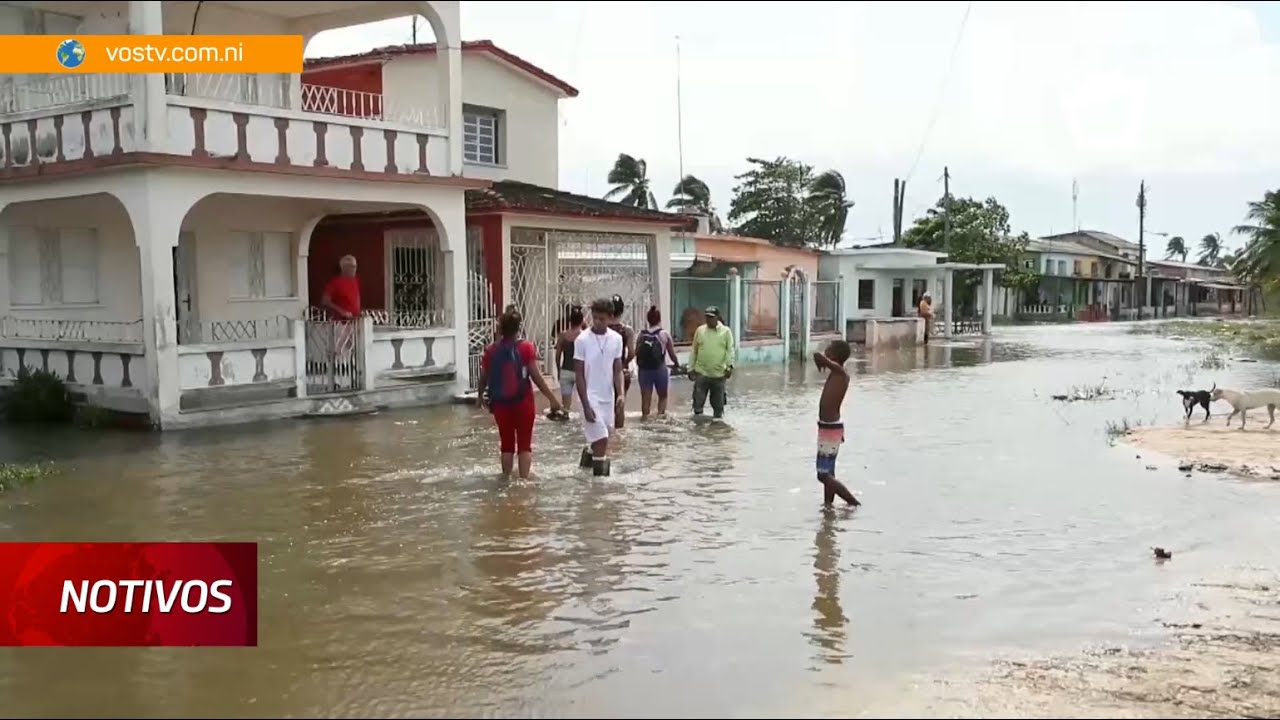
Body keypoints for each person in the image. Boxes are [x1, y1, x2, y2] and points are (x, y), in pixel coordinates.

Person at [477, 310, 562, 480]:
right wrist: (552, 399)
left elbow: (484, 377)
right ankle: (524, 482)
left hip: (501, 405)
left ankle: (505, 479)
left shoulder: (491, 351)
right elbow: (536, 377)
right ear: (519, 328)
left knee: (506, 445)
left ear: (500, 328)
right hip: (524, 403)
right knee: (524, 445)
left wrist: (480, 396)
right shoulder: (526, 348)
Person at [574, 297, 624, 477]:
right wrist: (585, 404)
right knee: (602, 440)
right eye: (594, 318)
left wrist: (621, 395)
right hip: (589, 396)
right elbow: (578, 374)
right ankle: (599, 489)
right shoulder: (582, 340)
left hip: (608, 397)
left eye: (601, 319)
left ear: (610, 317)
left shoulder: (617, 339)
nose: (597, 322)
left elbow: (617, 369)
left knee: (601, 439)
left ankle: (583, 469)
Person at [812, 340, 860, 507]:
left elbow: (818, 356)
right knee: (828, 472)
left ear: (836, 356)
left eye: (829, 350)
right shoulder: (835, 373)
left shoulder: (841, 373)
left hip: (830, 428)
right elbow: (820, 357)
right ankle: (828, 506)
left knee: (823, 475)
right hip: (827, 427)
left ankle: (853, 503)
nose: (826, 351)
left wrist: (822, 360)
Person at [688, 306, 735, 419]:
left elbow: (730, 351)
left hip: (718, 375)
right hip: (701, 373)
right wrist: (690, 368)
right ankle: (698, 430)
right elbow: (694, 350)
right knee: (697, 405)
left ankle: (717, 431)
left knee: (718, 408)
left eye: (711, 318)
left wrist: (730, 366)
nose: (709, 320)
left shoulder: (726, 332)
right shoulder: (700, 331)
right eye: (707, 317)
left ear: (717, 318)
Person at [635, 305, 679, 417]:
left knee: (645, 398)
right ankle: (660, 418)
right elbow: (672, 354)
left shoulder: (641, 334)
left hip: (644, 370)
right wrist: (676, 364)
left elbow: (636, 352)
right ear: (659, 320)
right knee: (663, 396)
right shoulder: (664, 334)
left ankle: (645, 421)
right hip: (659, 369)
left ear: (648, 320)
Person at [607, 294, 636, 428]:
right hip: (622, 372)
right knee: (620, 403)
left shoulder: (602, 329)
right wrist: (624, 363)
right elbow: (631, 352)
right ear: (622, 311)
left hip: (605, 371)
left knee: (604, 403)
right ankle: (619, 433)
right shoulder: (627, 330)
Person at [554, 306, 585, 411]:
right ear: (582, 320)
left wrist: (559, 370)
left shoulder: (563, 335)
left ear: (570, 320)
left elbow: (557, 356)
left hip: (565, 371)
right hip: (580, 373)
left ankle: (565, 421)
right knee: (583, 403)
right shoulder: (584, 336)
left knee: (566, 407)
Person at [320, 255, 361, 320]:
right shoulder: (335, 282)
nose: (355, 269)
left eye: (355, 266)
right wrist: (342, 311)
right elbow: (325, 301)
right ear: (344, 267)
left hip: (355, 321)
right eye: (352, 267)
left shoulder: (355, 281)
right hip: (340, 322)